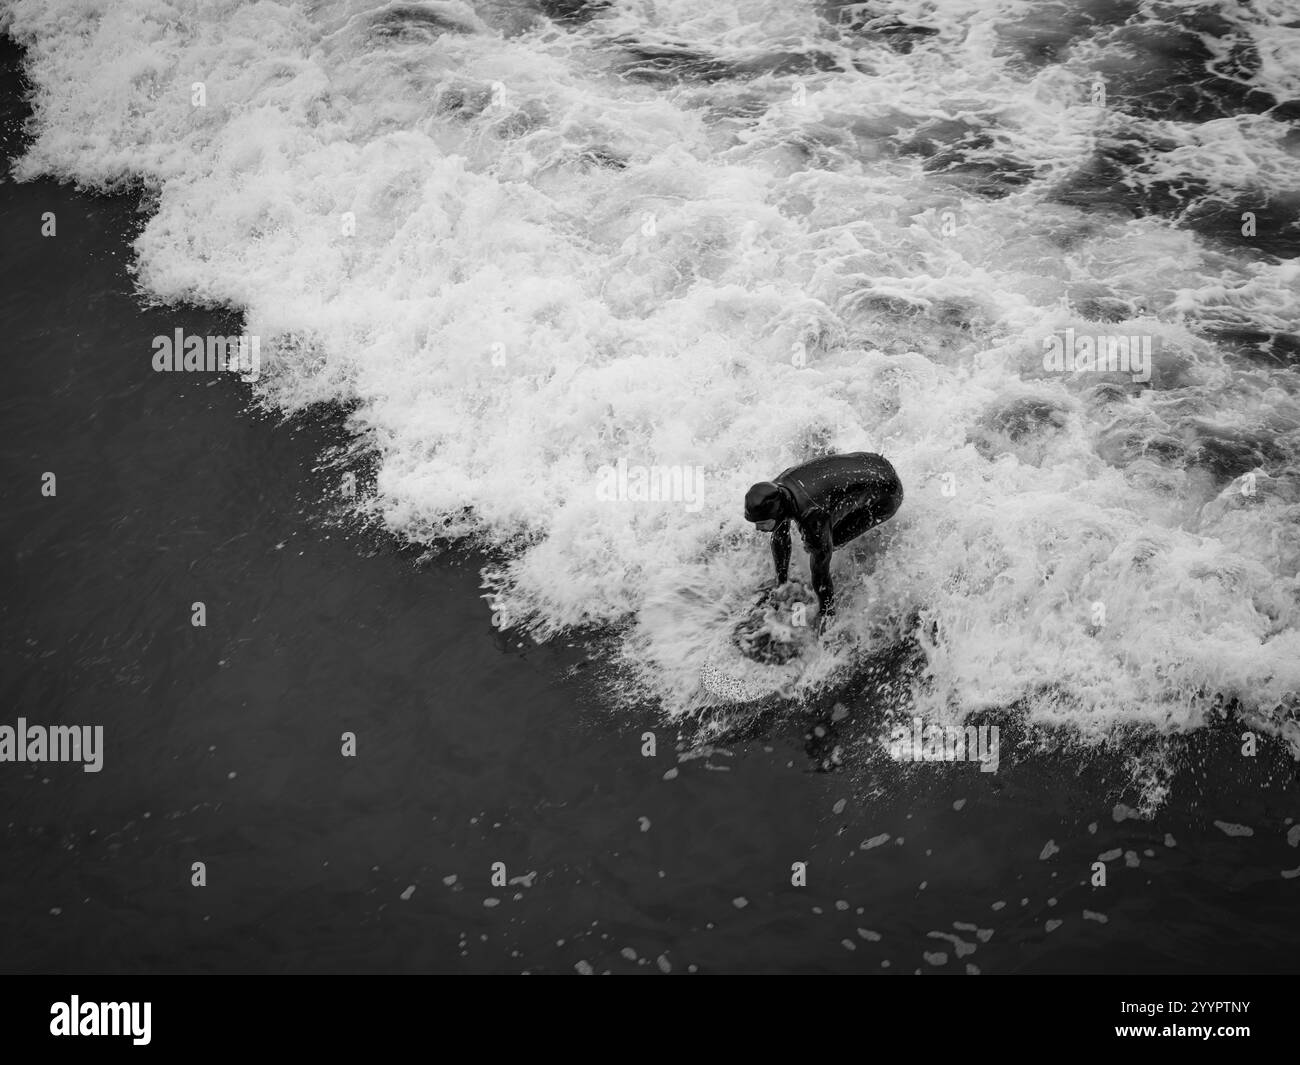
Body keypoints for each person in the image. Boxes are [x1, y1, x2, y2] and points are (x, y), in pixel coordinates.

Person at [744, 452, 903, 624]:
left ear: (777, 512)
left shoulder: (812, 514)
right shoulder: (778, 489)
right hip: (873, 462)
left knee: (827, 542)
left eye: (762, 523)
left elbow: (820, 571)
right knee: (816, 540)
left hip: (887, 495)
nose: (757, 528)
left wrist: (826, 614)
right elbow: (780, 535)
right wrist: (782, 582)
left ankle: (830, 614)